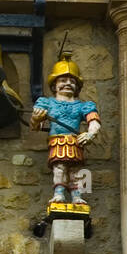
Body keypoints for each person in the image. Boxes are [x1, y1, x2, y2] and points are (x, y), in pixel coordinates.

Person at [30, 58, 100, 213]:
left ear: (77, 86)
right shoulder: (47, 103)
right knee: (59, 168)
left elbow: (94, 121)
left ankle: (77, 196)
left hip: (76, 142)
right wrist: (37, 118)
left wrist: (90, 134)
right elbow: (35, 126)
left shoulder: (83, 106)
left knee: (77, 171)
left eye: (72, 81)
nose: (68, 83)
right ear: (54, 85)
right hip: (57, 141)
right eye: (63, 80)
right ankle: (59, 194)